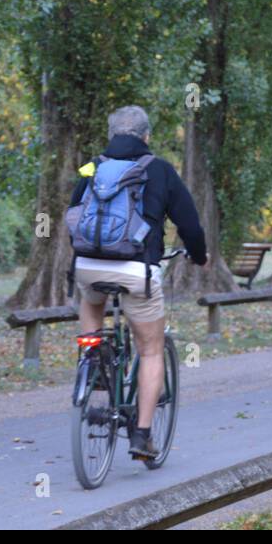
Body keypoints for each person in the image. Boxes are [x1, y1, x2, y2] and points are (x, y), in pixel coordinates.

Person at [67, 105, 208, 460]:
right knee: (150, 350)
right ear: (146, 136)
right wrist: (199, 255)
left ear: (112, 134)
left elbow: (74, 214)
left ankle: (93, 356)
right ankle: (142, 435)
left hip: (88, 266)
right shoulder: (159, 170)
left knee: (91, 296)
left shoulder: (92, 168)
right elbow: (189, 225)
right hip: (135, 271)